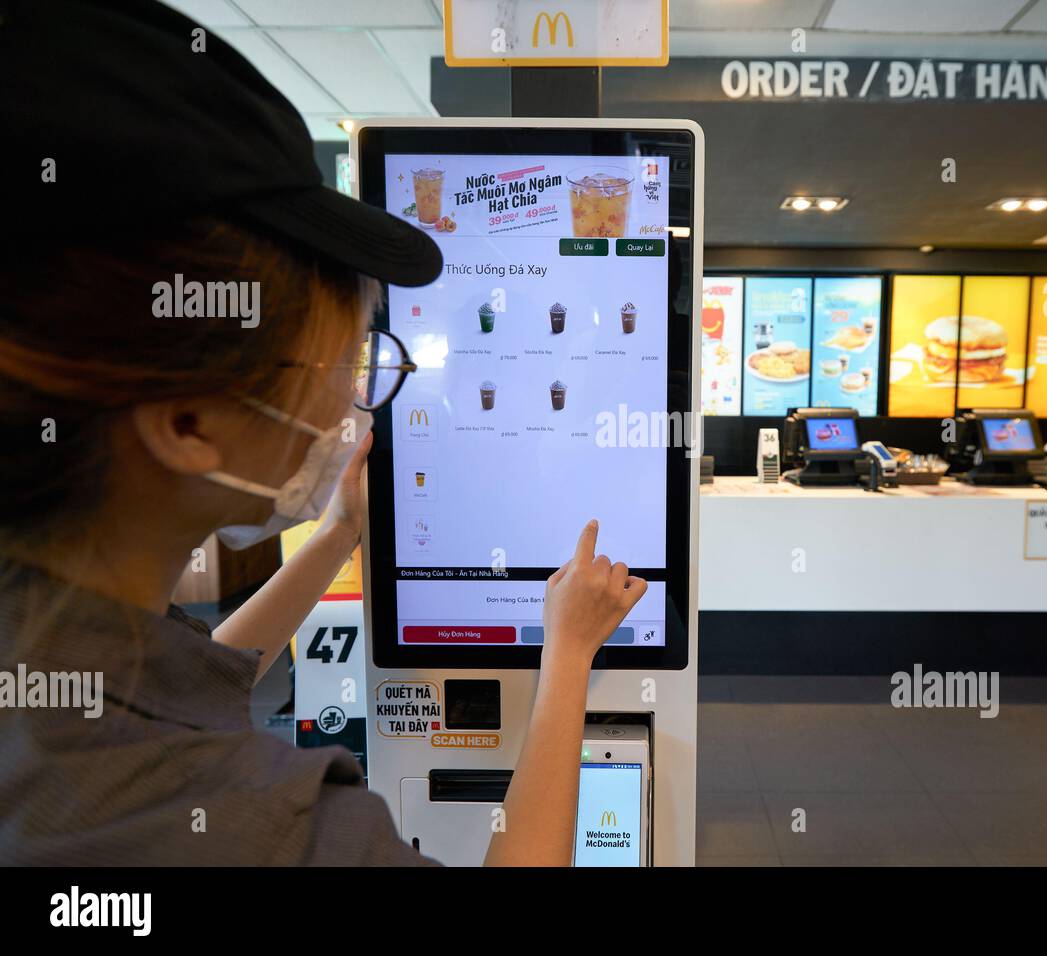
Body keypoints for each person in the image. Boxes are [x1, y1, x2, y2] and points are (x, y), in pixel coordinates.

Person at [0, 0, 645, 865]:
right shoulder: (259, 829)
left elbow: (187, 681)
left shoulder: (48, 640)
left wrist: (339, 532)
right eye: (341, 366)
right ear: (188, 425)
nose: (354, 401)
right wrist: (566, 652)